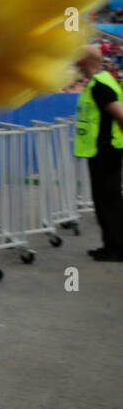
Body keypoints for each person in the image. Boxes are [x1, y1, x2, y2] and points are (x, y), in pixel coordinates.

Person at [73, 45, 123, 261]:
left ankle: (117, 248)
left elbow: (120, 114)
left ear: (85, 60)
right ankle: (110, 244)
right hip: (101, 150)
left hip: (106, 150)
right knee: (105, 199)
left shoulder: (99, 86)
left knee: (108, 200)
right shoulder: (100, 81)